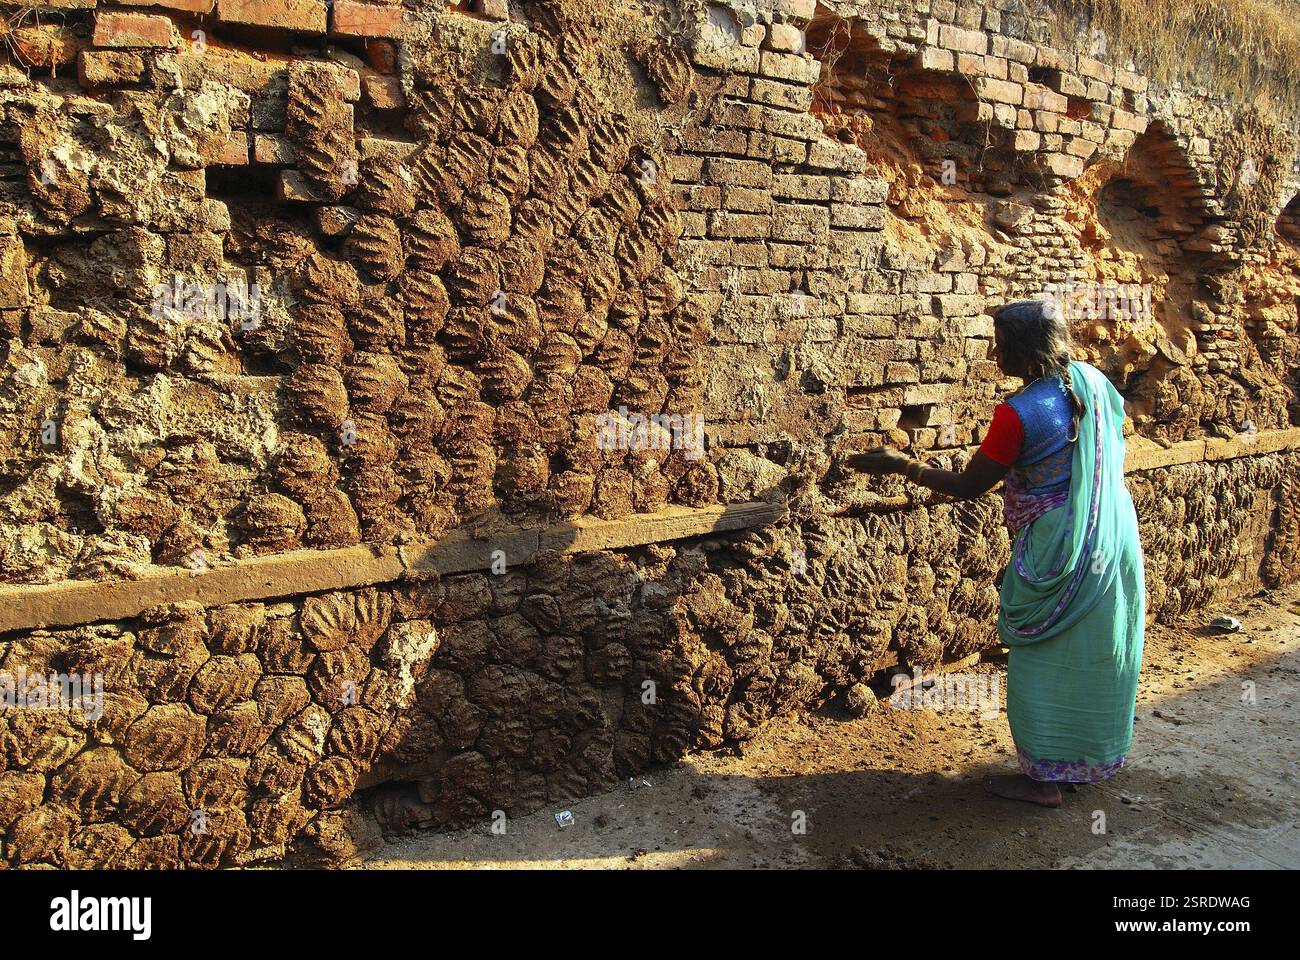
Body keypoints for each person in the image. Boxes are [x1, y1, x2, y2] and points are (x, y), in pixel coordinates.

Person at [848, 298, 1145, 807]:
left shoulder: (1017, 413)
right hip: (1112, 532)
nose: (993, 351)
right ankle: (1082, 760)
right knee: (1095, 652)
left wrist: (903, 465)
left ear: (1025, 350)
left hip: (1059, 541)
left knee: (1038, 658)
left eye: (1001, 342)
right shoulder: (1091, 383)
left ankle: (1042, 779)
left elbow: (971, 485)